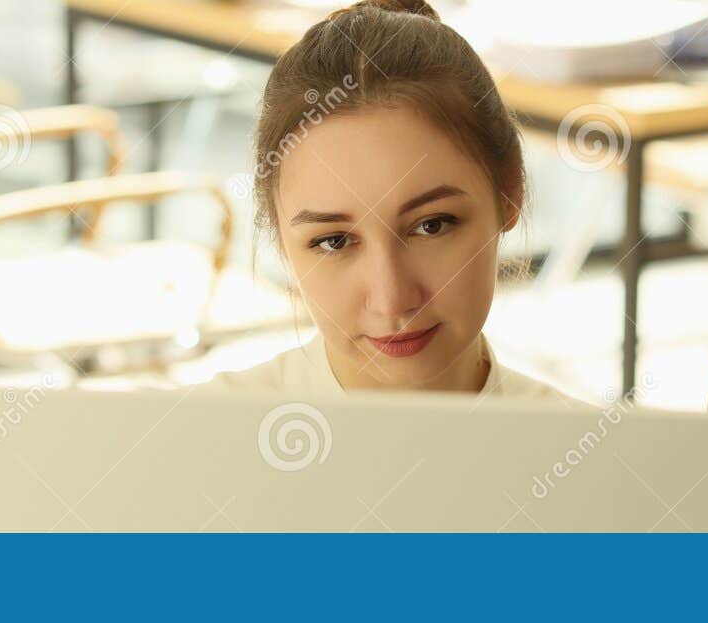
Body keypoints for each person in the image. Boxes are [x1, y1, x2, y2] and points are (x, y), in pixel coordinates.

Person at [209, 0, 566, 400]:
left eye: (432, 225)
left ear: (509, 189)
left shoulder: (606, 452)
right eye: (335, 241)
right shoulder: (195, 444)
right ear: (279, 237)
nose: (392, 299)